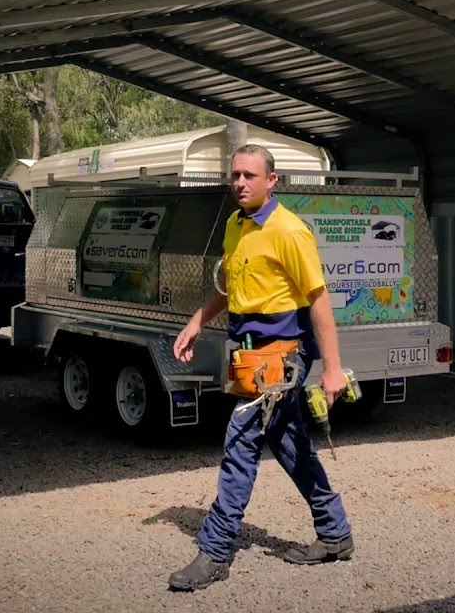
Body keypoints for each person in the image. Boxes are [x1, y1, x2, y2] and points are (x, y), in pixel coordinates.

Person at [167, 143, 355, 591]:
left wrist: (332, 368)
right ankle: (335, 533)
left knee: (240, 444)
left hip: (281, 353)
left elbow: (319, 301)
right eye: (235, 175)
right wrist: (197, 321)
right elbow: (231, 288)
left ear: (272, 181)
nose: (240, 183)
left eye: (250, 175)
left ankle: (214, 551)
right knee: (289, 443)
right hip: (248, 350)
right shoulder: (235, 226)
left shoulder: (289, 231)